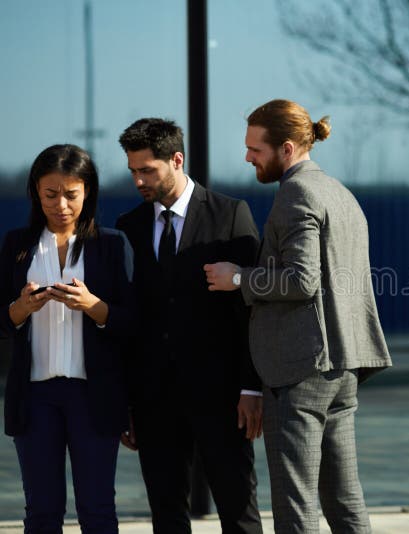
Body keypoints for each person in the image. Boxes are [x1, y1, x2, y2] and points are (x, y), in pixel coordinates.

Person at [204, 99, 392, 534]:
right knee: (344, 500)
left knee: (295, 505)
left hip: (300, 370)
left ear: (286, 149)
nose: (247, 156)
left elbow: (301, 281)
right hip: (340, 367)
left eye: (256, 149)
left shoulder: (297, 194)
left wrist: (238, 279)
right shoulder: (338, 192)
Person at [115, 118, 263, 534]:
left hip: (221, 398)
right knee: (166, 516)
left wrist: (251, 388)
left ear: (176, 160)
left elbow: (251, 310)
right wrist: (127, 400)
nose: (139, 180)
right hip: (153, 401)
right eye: (133, 171)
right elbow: (132, 318)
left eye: (148, 170)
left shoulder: (231, 214)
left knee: (239, 513)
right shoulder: (130, 226)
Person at [0, 144, 134, 532]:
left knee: (96, 510)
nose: (61, 204)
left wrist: (93, 305)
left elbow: (131, 323)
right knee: (41, 513)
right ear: (36, 193)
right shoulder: (16, 245)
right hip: (34, 396)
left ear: (87, 191)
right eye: (50, 194)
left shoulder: (111, 244)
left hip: (92, 395)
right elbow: (3, 321)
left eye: (71, 195)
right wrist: (21, 308)